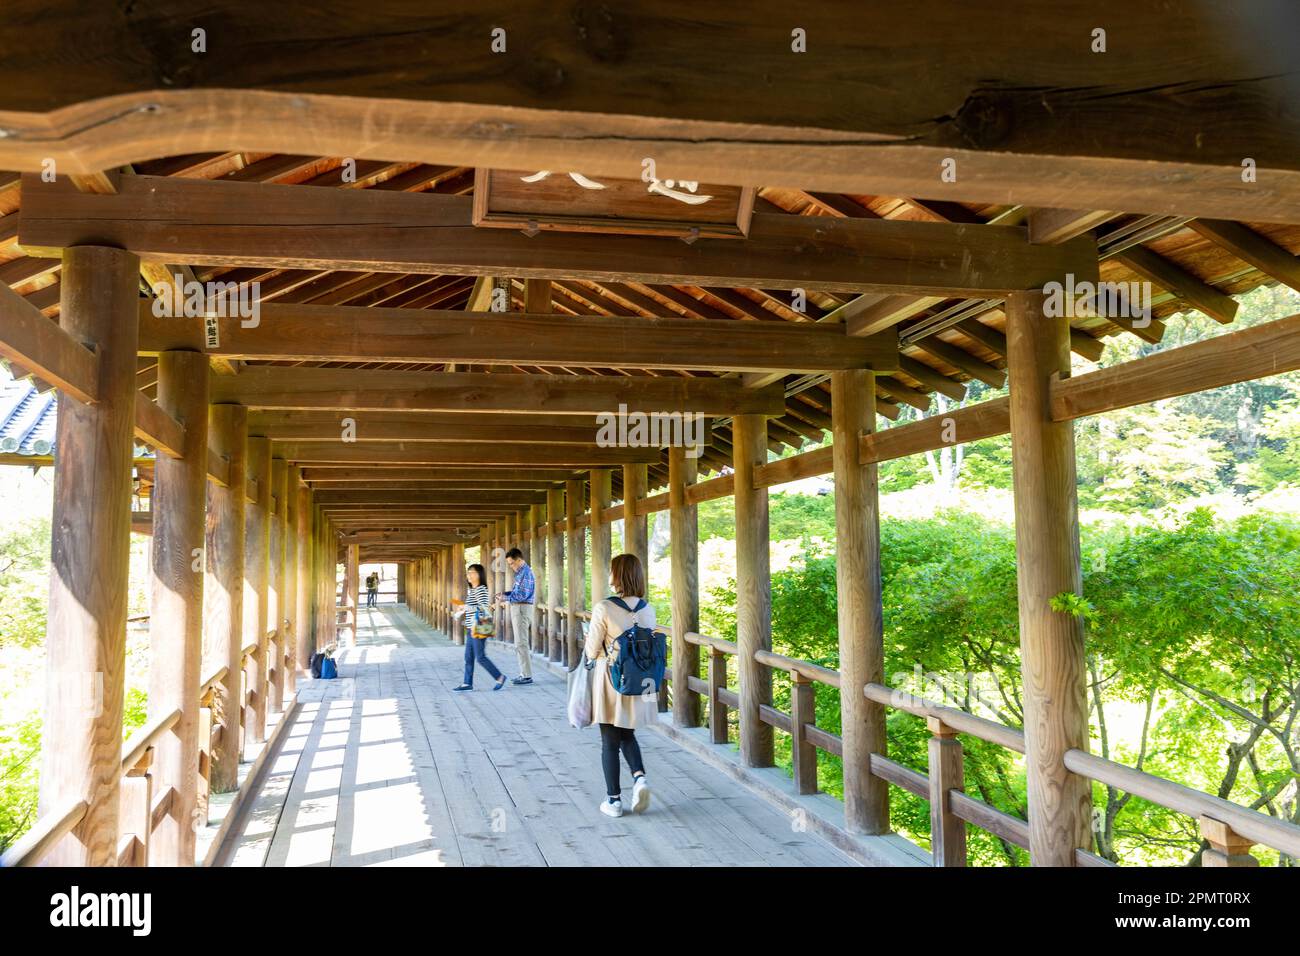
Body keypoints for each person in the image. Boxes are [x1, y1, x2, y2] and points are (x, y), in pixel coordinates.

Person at [584, 553, 656, 818]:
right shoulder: (647, 609)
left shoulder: (604, 607)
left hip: (610, 678)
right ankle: (639, 778)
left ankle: (613, 800)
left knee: (609, 740)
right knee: (627, 732)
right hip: (637, 681)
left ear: (618, 575)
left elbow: (592, 651)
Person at [453, 563, 507, 692]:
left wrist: (466, 607)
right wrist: (462, 609)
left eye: (472, 572)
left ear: (479, 574)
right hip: (471, 627)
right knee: (468, 657)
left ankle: (499, 677)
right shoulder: (473, 590)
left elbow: (484, 608)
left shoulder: (481, 589)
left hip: (478, 627)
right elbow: (473, 608)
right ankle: (467, 683)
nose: (469, 575)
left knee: (480, 657)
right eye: (468, 572)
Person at [496, 547, 536, 686]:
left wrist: (505, 598)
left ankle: (526, 676)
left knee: (521, 642)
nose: (511, 566)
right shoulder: (520, 573)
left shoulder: (526, 573)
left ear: (519, 560)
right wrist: (505, 594)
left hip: (522, 609)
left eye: (512, 563)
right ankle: (524, 673)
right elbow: (517, 592)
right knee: (519, 642)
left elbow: (523, 595)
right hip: (518, 608)